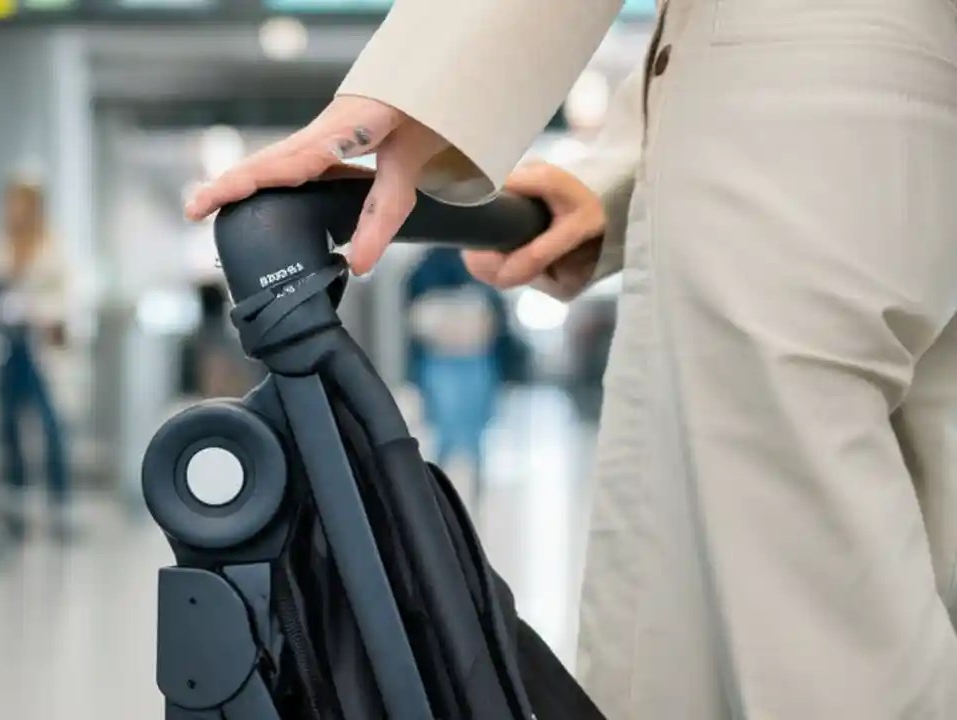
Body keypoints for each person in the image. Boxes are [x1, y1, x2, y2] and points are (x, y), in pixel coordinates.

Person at [185, 0, 957, 717]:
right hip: (908, 126)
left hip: (796, 129)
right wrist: (615, 184)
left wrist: (413, 94)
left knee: (799, 644)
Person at [0, 179, 72, 541]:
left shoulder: (53, 245)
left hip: (40, 344)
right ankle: (14, 508)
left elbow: (65, 298)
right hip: (6, 343)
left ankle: (59, 505)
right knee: (8, 426)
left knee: (50, 425)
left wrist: (35, 311)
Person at [406, 247, 514, 500]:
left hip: (473, 359)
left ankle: (459, 498)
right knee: (447, 434)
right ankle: (443, 498)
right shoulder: (429, 267)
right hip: (444, 360)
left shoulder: (478, 259)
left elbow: (496, 323)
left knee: (472, 436)